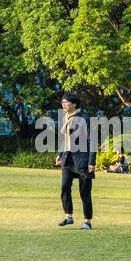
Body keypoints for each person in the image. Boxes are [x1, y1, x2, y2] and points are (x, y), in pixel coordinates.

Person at [54, 92, 96, 229]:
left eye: (66, 102)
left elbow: (92, 141)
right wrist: (60, 154)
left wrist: (91, 161)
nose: (63, 105)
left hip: (82, 160)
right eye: (62, 103)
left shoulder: (84, 119)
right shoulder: (66, 118)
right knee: (65, 187)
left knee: (84, 192)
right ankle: (68, 216)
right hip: (68, 159)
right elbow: (66, 139)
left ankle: (87, 222)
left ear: (74, 104)